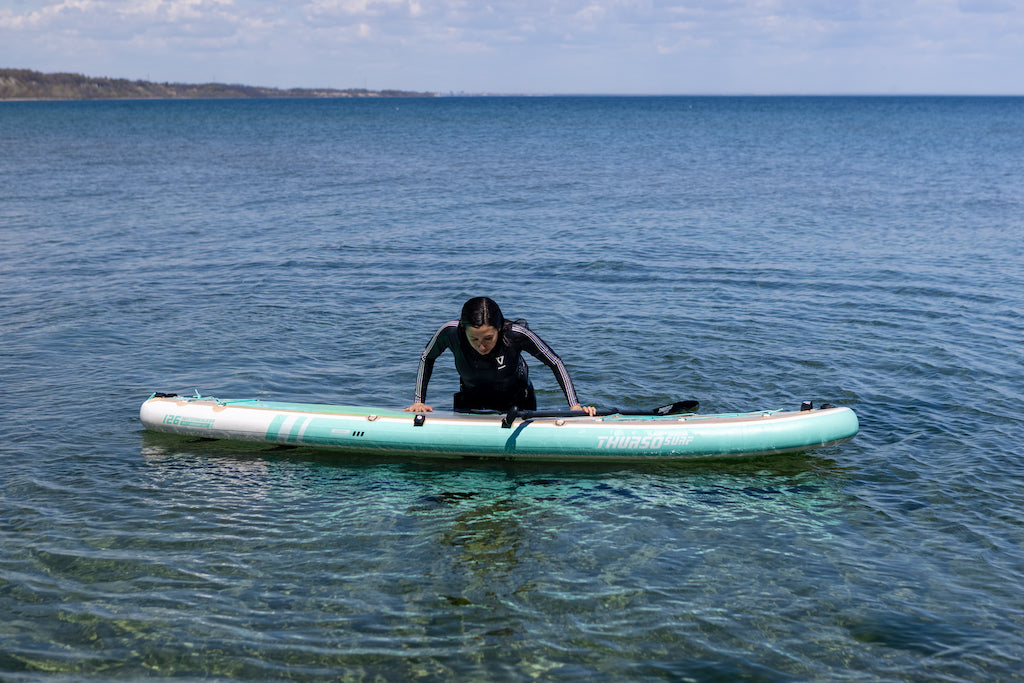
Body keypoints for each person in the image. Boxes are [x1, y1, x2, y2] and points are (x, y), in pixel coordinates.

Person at [405, 297, 597, 415]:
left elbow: (555, 362)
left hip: (517, 402)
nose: (481, 345)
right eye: (474, 339)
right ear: (464, 330)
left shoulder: (516, 334)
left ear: (499, 328)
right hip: (471, 399)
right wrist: (419, 401)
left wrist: (575, 405)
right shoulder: (450, 332)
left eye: (488, 338)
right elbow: (427, 357)